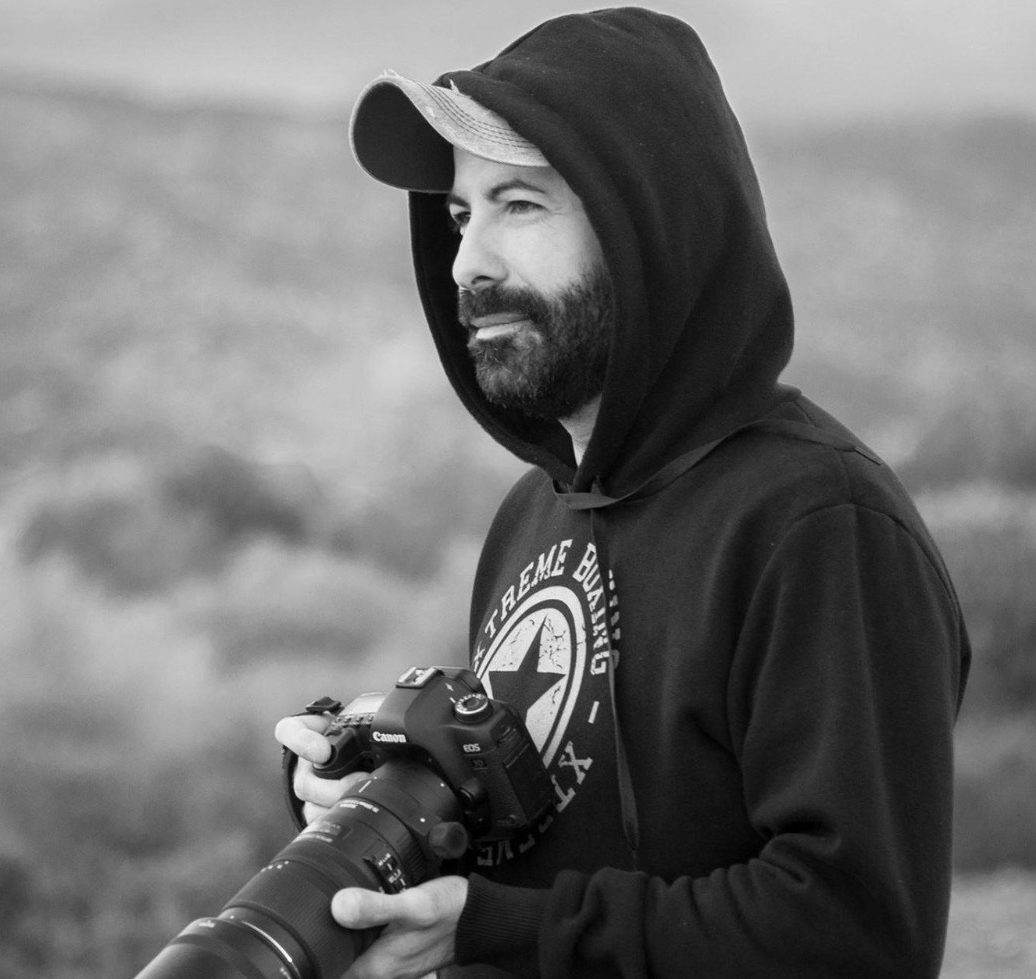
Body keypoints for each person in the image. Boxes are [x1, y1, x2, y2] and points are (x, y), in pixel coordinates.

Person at [275, 8, 970, 978]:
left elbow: (857, 934)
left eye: (520, 204)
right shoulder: (530, 515)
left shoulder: (816, 523)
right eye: (460, 216)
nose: (468, 262)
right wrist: (380, 800)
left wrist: (501, 929)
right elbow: (551, 840)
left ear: (650, 225)